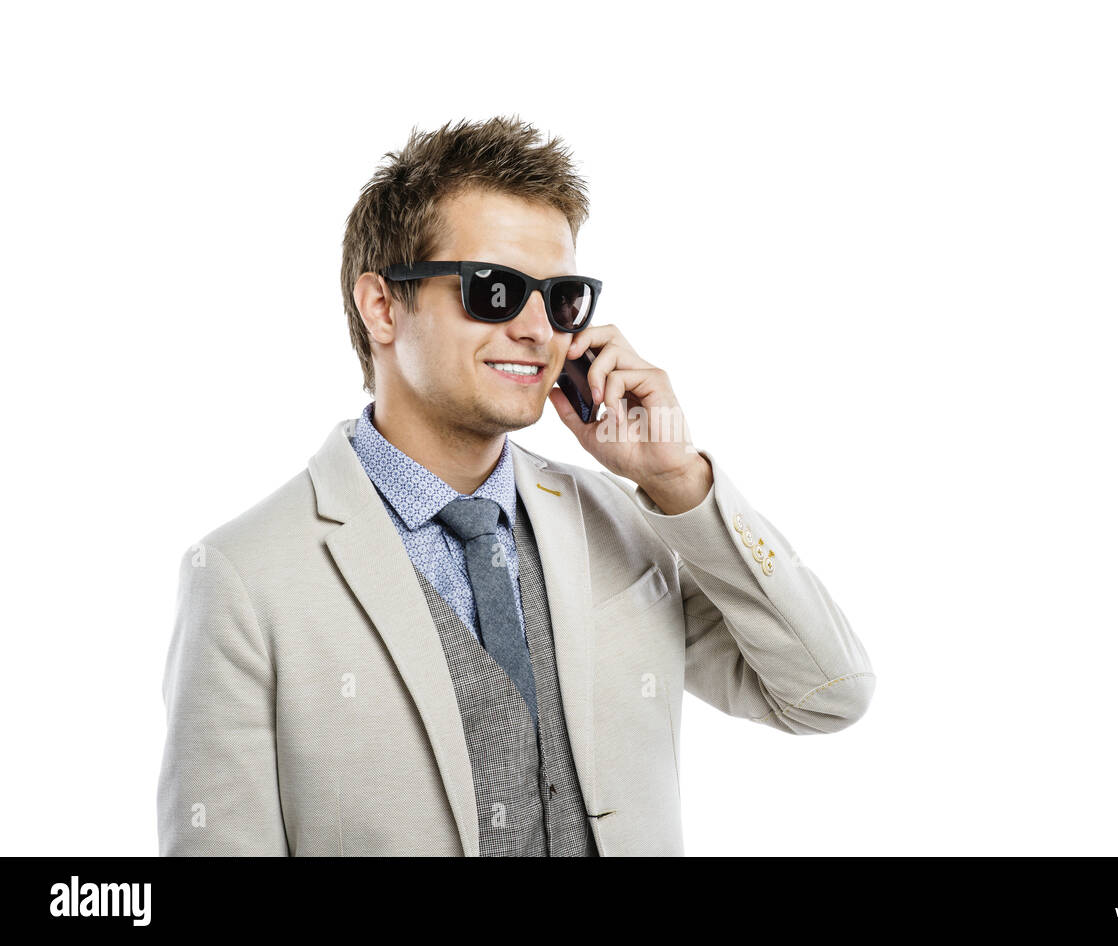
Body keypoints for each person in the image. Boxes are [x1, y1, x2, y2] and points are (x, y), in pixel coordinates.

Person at [157, 116, 877, 856]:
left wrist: (679, 482)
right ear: (381, 306)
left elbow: (828, 694)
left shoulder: (622, 523)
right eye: (495, 290)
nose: (539, 330)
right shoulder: (246, 576)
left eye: (561, 298)